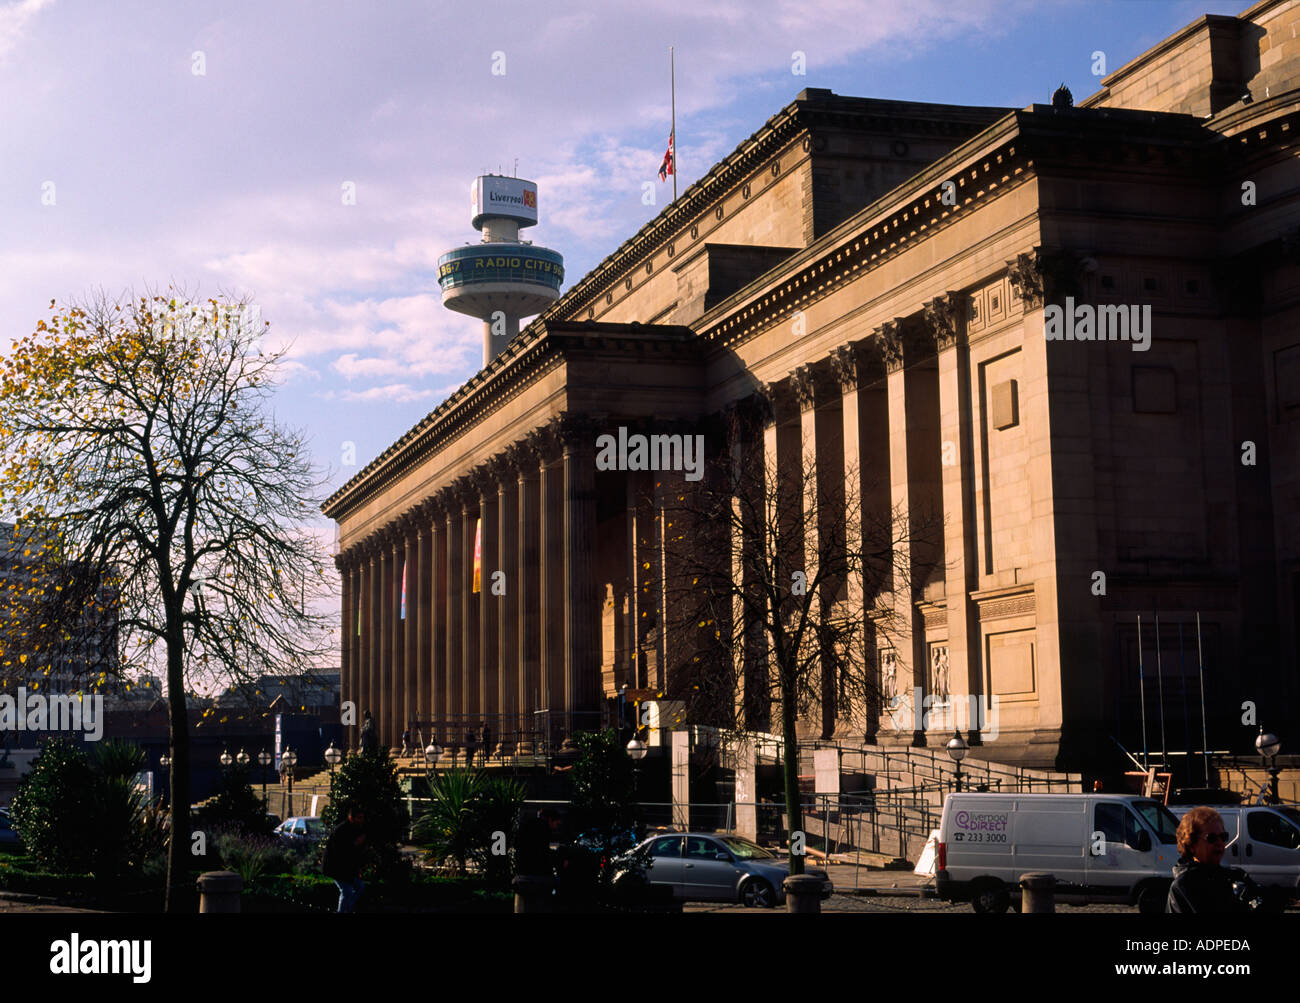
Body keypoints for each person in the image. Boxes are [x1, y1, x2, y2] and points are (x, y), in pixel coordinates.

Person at [1166, 806, 1257, 913]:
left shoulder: (1233, 877)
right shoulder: (1184, 886)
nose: (1219, 843)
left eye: (1223, 837)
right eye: (1211, 838)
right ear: (1191, 845)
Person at [323, 806, 368, 913]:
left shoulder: (358, 830)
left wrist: (359, 868)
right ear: (351, 818)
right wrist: (355, 844)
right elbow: (340, 852)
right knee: (346, 891)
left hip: (347, 868)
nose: (361, 820)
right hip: (335, 867)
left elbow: (357, 854)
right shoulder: (341, 830)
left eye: (362, 818)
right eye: (359, 818)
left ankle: (346, 909)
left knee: (359, 887)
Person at [515, 807, 560, 878]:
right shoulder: (544, 829)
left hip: (522, 865)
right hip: (535, 868)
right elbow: (543, 851)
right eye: (556, 824)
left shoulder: (528, 824)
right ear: (550, 819)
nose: (556, 827)